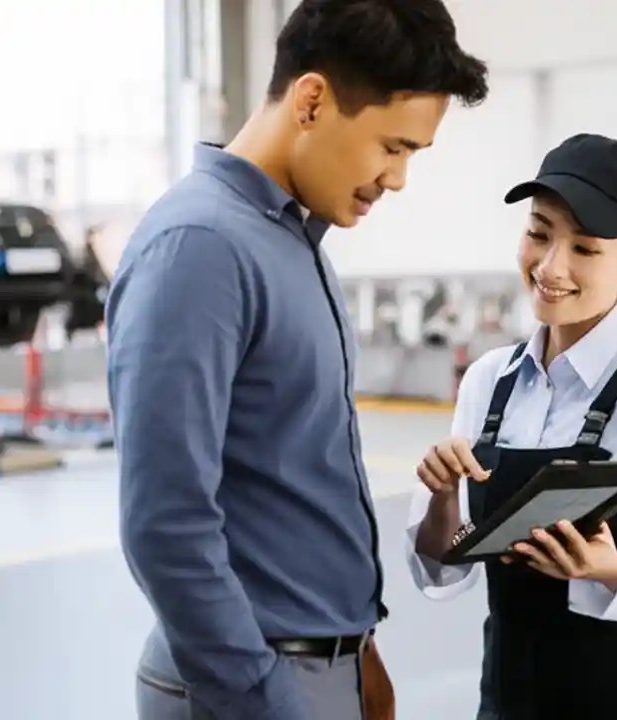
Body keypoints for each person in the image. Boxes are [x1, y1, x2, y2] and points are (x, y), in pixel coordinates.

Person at [105, 1, 489, 718]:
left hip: (317, 663)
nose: (398, 178)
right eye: (393, 146)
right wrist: (264, 697)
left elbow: (294, 478)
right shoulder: (201, 248)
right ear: (312, 100)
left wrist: (353, 647)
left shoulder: (290, 241)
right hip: (247, 682)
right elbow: (165, 521)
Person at [405, 133, 617, 720]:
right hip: (512, 696)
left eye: (585, 248)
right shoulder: (488, 381)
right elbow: (444, 571)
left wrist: (607, 566)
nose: (551, 267)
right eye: (539, 233)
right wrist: (444, 500)